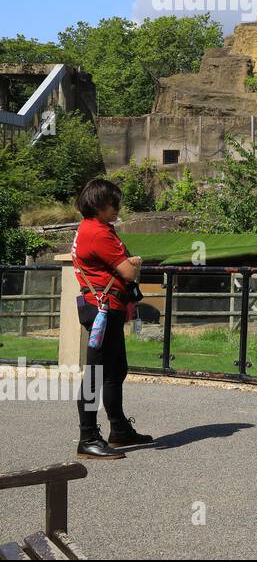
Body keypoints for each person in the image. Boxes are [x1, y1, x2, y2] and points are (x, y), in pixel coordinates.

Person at [70, 178, 154, 460]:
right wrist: (135, 263)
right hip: (102, 309)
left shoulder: (92, 229)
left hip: (104, 307)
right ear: (98, 205)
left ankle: (118, 430)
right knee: (96, 373)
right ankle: (88, 437)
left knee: (116, 369)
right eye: (113, 204)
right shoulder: (99, 233)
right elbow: (129, 272)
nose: (118, 208)